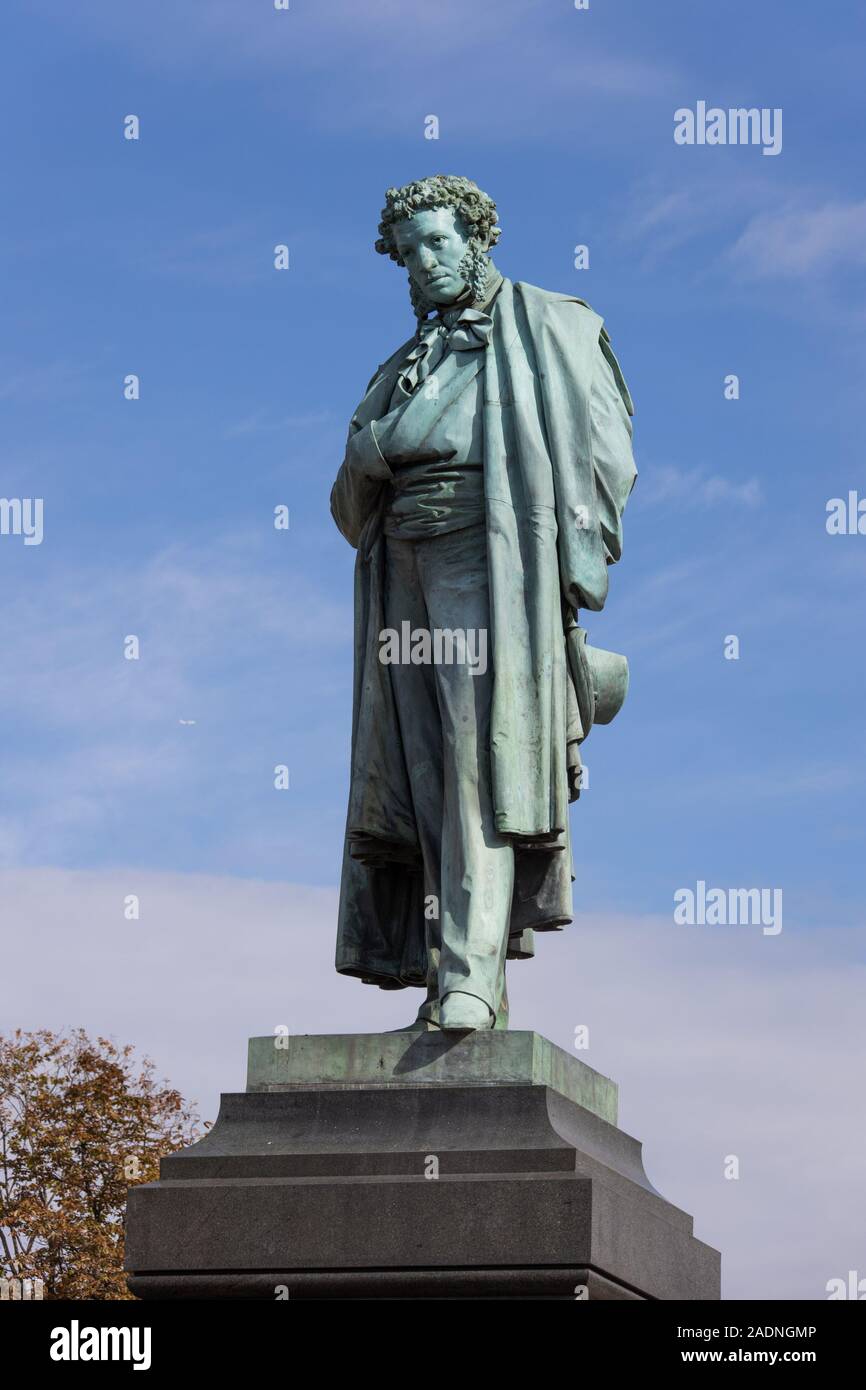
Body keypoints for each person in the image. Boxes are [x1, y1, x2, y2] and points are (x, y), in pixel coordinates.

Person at [330, 175, 636, 1032]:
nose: (424, 265)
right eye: (409, 254)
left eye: (438, 244)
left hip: (491, 557)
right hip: (400, 567)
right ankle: (448, 979)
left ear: (476, 239)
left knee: (478, 765)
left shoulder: (553, 326)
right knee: (417, 775)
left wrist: (568, 577)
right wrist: (381, 448)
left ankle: (470, 975)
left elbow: (609, 460)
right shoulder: (398, 371)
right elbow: (346, 507)